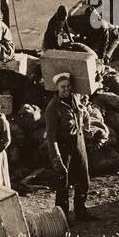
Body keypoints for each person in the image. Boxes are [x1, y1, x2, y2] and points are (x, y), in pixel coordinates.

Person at [45, 72, 94, 222]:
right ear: (57, 88)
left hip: (79, 145)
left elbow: (83, 115)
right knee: (63, 183)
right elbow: (51, 136)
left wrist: (87, 127)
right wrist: (57, 157)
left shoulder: (75, 100)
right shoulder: (53, 108)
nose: (66, 89)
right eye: (62, 87)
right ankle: (63, 218)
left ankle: (81, 212)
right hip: (63, 147)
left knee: (84, 180)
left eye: (68, 86)